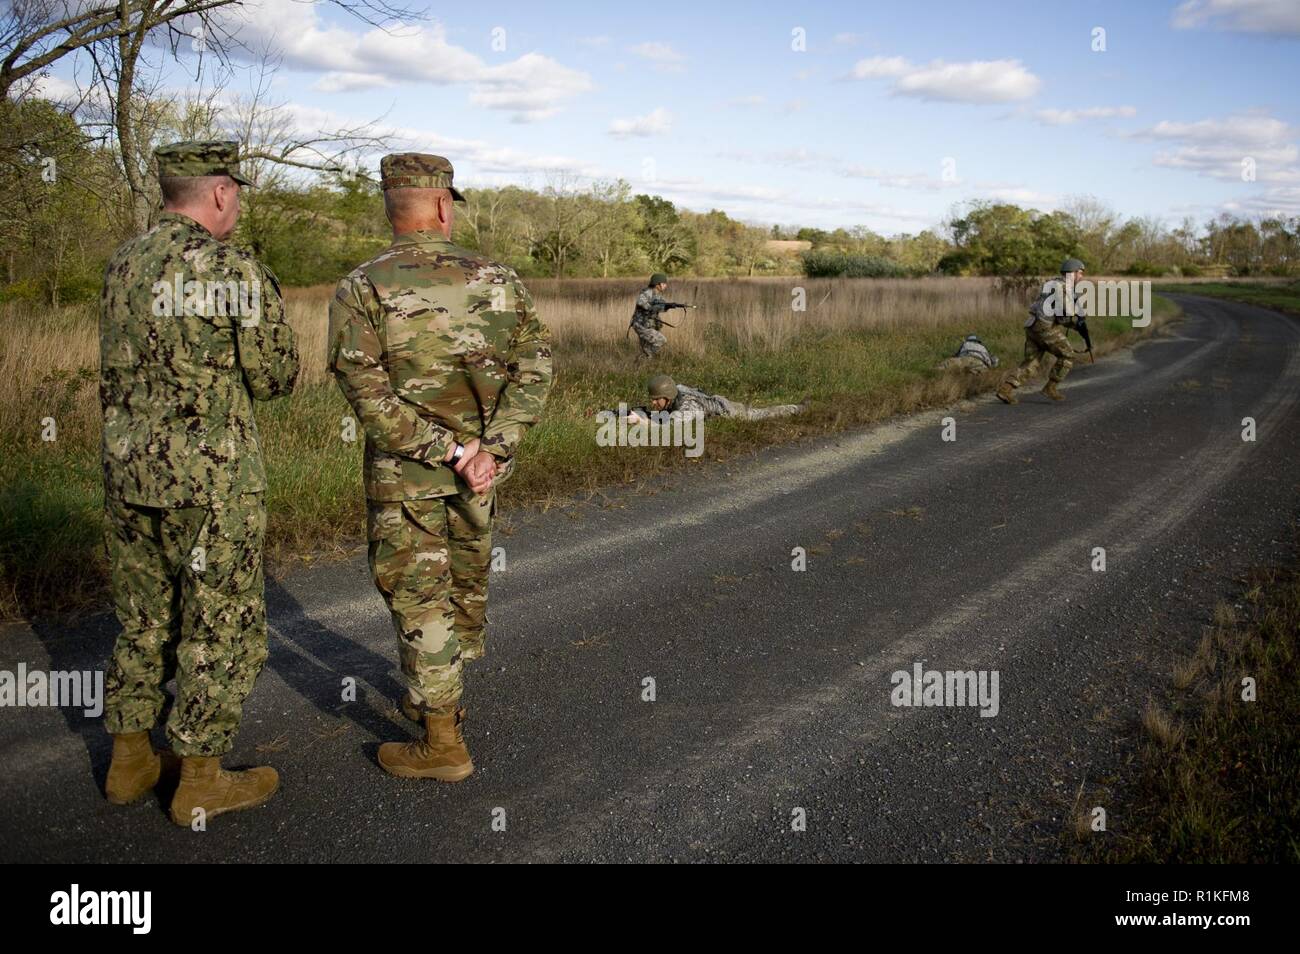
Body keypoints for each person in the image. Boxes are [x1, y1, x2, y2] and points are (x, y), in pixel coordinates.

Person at [328, 153, 552, 782]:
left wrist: (448, 452)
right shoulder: (499, 278)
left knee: (419, 596)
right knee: (464, 582)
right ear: (445, 205)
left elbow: (366, 393)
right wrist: (492, 451)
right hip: (479, 477)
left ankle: (442, 743)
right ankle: (441, 693)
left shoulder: (363, 285)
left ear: (390, 207)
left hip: (409, 477)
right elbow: (535, 371)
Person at [99, 140, 299, 826]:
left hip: (127, 474)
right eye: (236, 190)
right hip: (211, 483)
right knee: (219, 622)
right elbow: (275, 379)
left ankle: (130, 762)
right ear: (219, 193)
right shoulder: (232, 268)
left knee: (144, 617)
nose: (237, 202)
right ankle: (200, 781)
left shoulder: (122, 264)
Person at [997, 258, 1088, 403]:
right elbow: (1063, 315)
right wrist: (1076, 325)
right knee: (1068, 355)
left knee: (1031, 362)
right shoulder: (1064, 288)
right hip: (1045, 328)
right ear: (1072, 273)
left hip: (1032, 326)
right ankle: (1050, 387)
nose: (1082, 276)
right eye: (1080, 273)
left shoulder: (1052, 283)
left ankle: (1005, 389)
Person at [624, 374, 805, 423]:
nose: (653, 403)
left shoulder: (688, 408)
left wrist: (642, 422)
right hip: (715, 403)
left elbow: (668, 429)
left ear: (668, 397)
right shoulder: (675, 392)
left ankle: (796, 408)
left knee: (761, 414)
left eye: (657, 399)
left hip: (729, 411)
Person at [628, 273, 691, 358]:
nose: (665, 285)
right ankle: (644, 358)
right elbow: (640, 302)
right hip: (641, 325)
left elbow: (661, 308)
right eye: (663, 283)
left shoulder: (658, 296)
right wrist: (651, 307)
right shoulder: (647, 292)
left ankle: (641, 363)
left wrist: (668, 306)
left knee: (646, 349)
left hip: (647, 325)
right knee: (661, 340)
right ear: (657, 284)